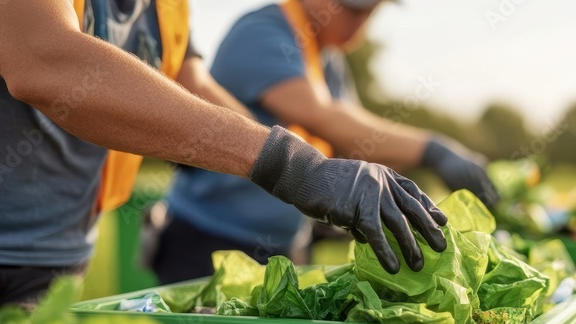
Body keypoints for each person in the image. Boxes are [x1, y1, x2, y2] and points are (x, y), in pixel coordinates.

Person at [0, 0, 448, 324]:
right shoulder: (267, 29)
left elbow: (189, 82)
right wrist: (296, 166)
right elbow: (45, 62)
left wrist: (317, 176)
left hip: (54, 265)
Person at [152, 0, 499, 283]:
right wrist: (433, 149)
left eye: (370, 11)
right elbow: (327, 118)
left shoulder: (328, 59)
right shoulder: (261, 34)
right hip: (209, 243)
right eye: (353, 10)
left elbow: (359, 143)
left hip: (283, 248)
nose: (360, 24)